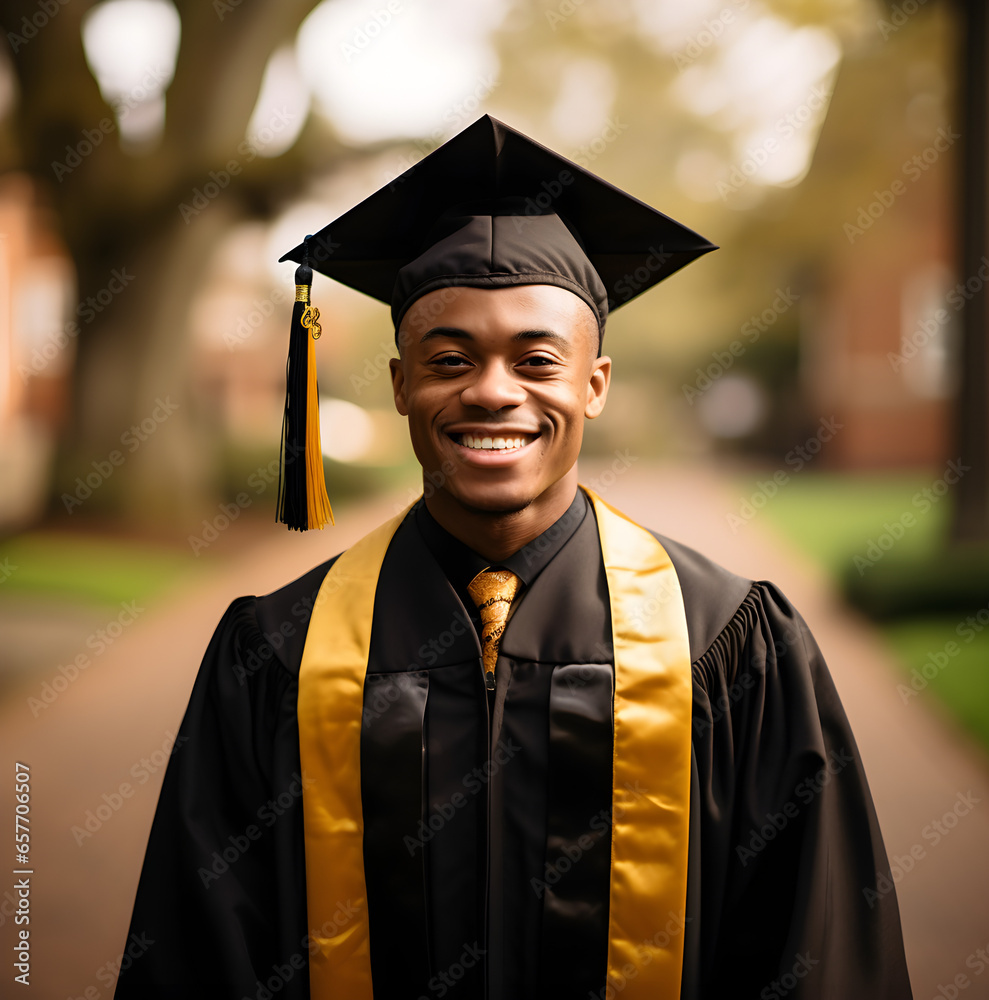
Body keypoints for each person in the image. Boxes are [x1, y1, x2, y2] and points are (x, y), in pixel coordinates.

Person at [114, 115, 913, 999]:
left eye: (537, 359)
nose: (493, 391)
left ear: (594, 385)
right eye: (450, 358)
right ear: (399, 384)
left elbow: (814, 952)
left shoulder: (725, 645)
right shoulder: (277, 654)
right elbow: (198, 957)